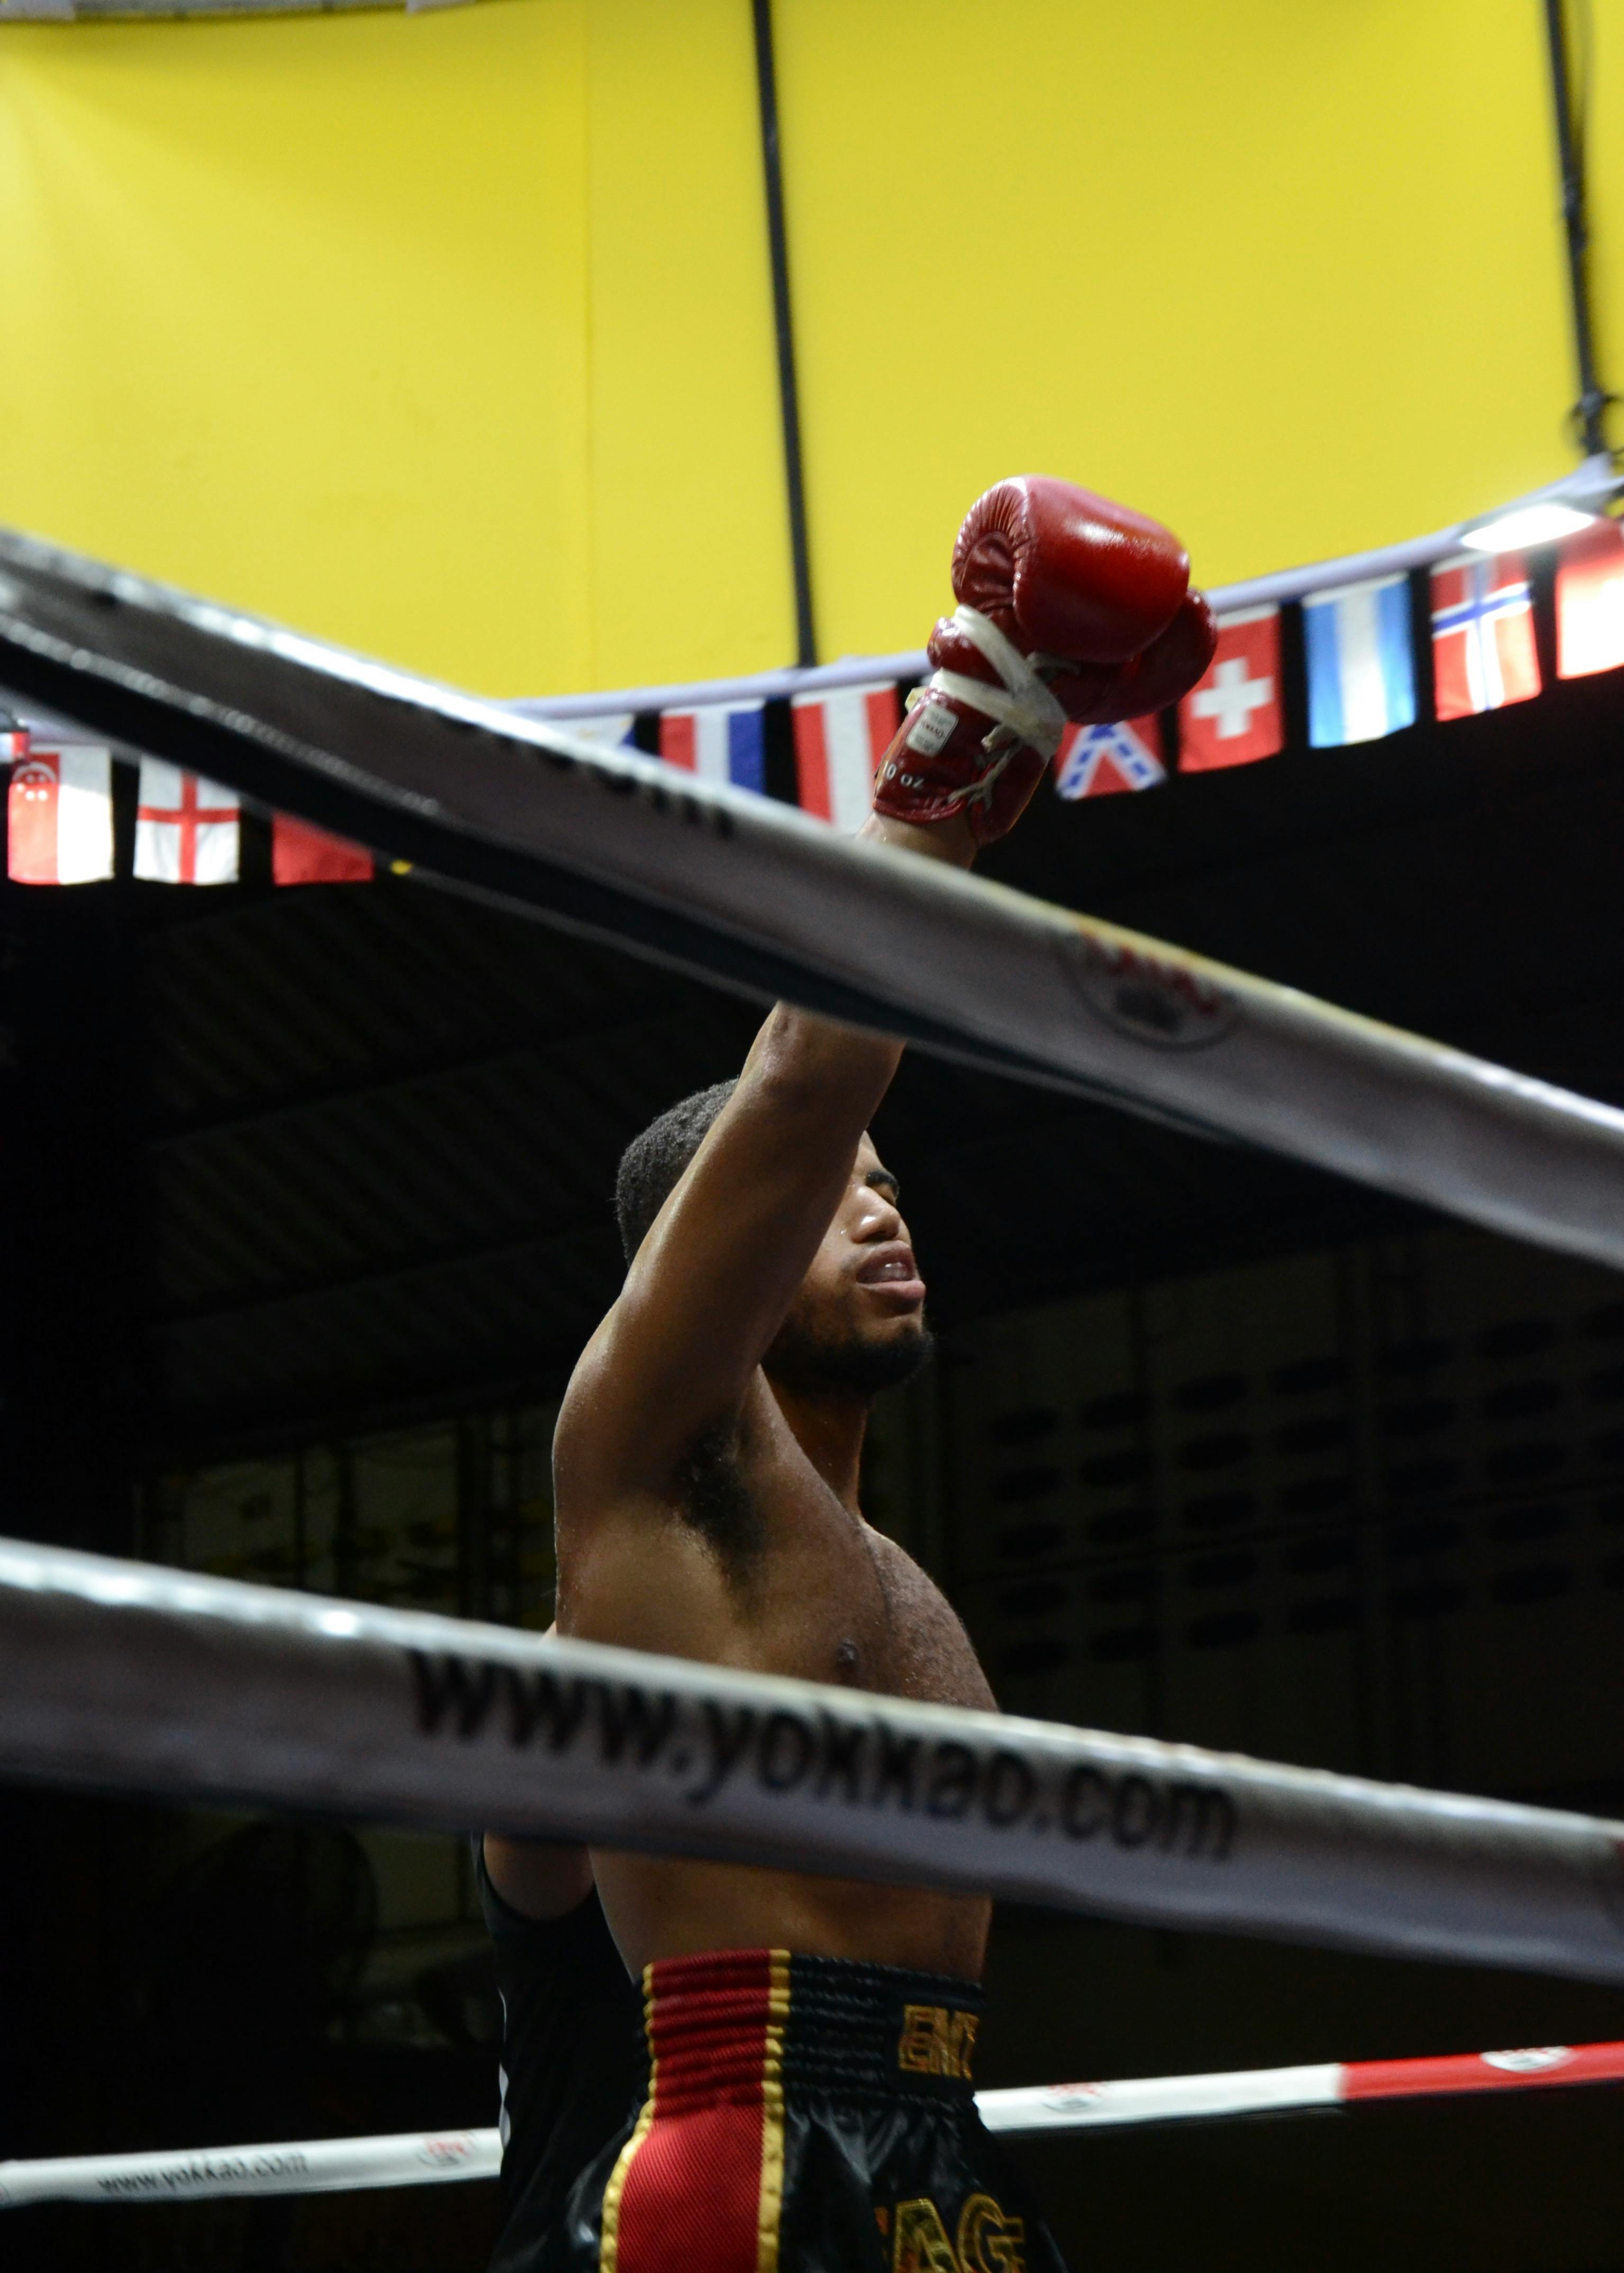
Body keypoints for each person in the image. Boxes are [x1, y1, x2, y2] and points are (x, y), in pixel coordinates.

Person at [480, 477, 1216, 2272]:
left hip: (945, 2149)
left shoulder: (906, 1585)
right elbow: (807, 1090)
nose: (885, 1225)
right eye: (837, 1211)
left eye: (893, 1200)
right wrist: (987, 719)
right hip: (744, 2153)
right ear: (713, 1259)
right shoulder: (650, 1460)